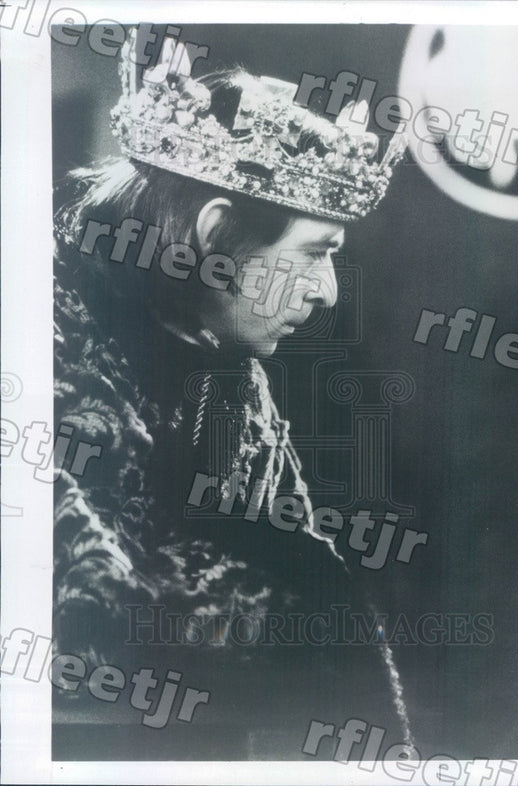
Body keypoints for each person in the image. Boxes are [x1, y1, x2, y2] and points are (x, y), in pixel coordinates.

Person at [52, 27, 413, 760]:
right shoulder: (34, 330)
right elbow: (78, 610)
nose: (326, 293)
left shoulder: (233, 376)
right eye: (314, 254)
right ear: (215, 236)